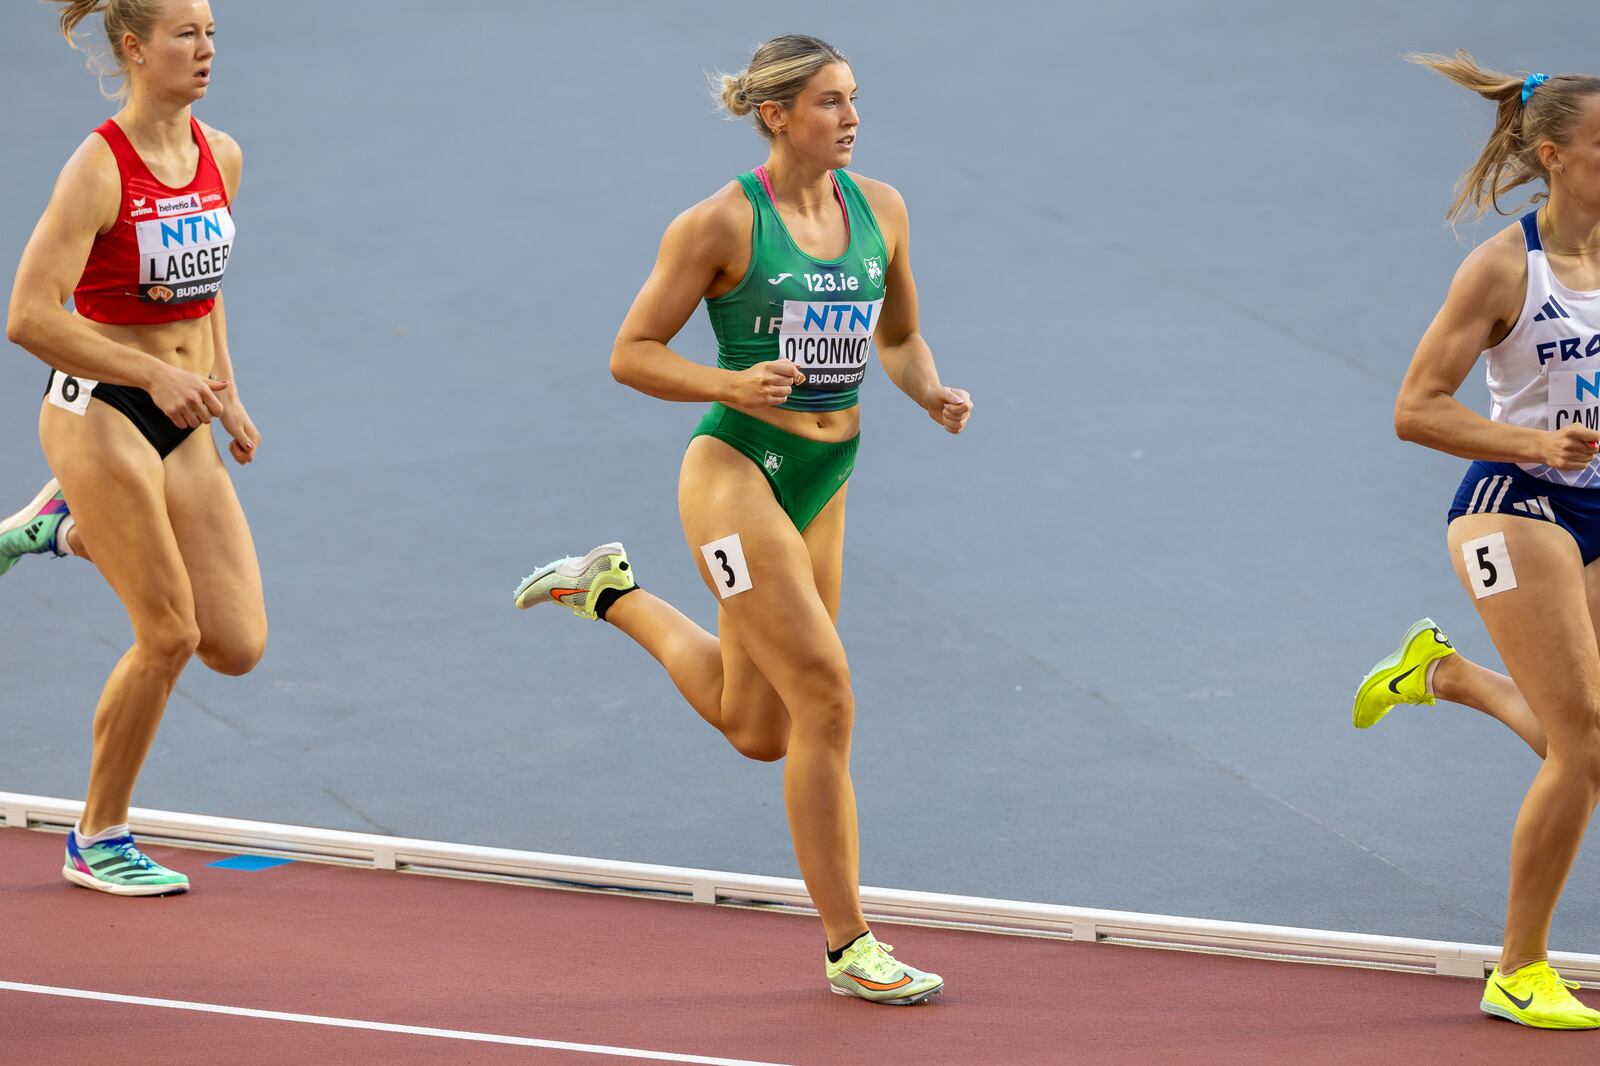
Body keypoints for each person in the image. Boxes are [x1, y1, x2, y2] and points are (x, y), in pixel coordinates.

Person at [514, 35, 970, 1004]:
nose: (850, 118)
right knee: (827, 698)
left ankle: (608, 593)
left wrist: (928, 390)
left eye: (854, 100)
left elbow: (897, 336)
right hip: (734, 476)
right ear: (775, 115)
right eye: (829, 103)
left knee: (757, 725)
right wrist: (729, 380)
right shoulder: (720, 224)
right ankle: (850, 946)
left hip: (827, 471)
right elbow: (631, 352)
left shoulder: (878, 209)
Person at [1353, 51, 1600, 1029]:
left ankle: (1444, 675)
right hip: (1512, 503)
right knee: (1580, 742)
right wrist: (1533, 440)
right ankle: (1517, 966)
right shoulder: (1505, 267)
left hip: (1594, 503)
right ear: (1553, 156)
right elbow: (1415, 409)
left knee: (1585, 744)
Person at [2, 0, 264, 895]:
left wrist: (225, 390)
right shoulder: (97, 169)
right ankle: (97, 835)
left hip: (184, 411)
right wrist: (151, 377)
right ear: (132, 46)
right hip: (101, 410)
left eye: (212, 35)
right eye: (186, 35)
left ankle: (61, 528)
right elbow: (28, 317)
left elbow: (209, 286)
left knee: (235, 643)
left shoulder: (219, 154)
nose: (205, 51)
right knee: (167, 634)